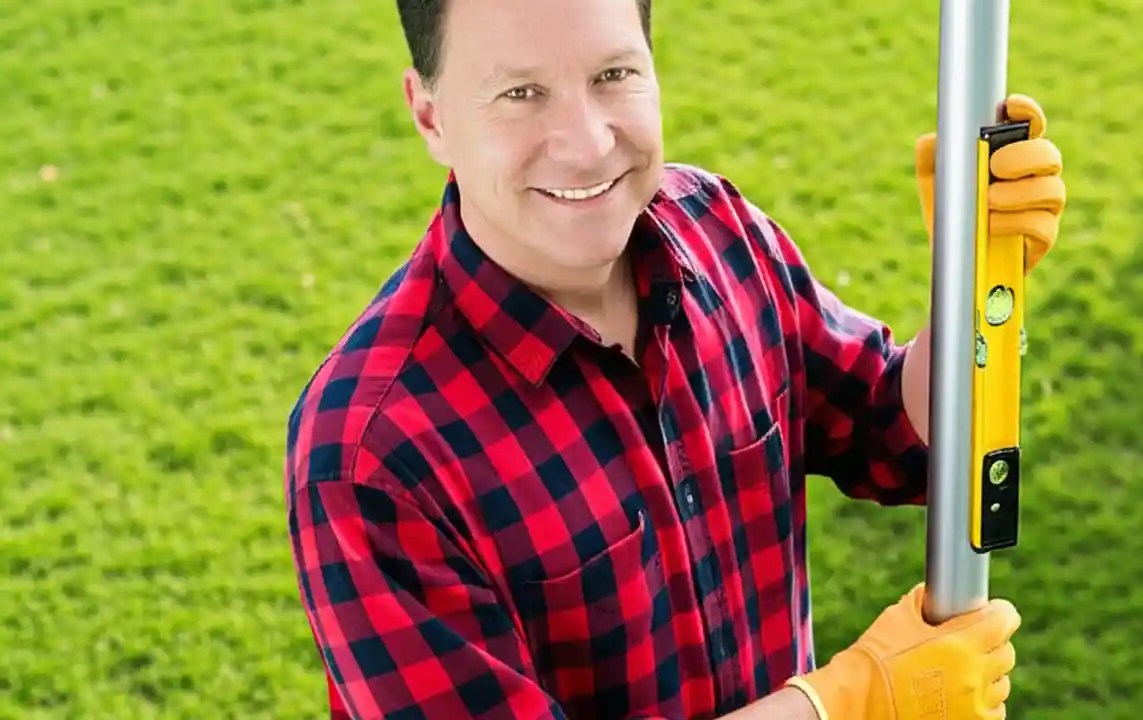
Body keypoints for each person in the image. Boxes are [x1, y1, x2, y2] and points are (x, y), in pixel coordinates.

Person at [283, 0, 1067, 718]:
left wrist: (976, 284)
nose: (588, 144)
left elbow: (896, 432)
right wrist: (844, 704)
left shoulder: (720, 231)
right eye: (521, 94)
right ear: (430, 116)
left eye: (613, 74)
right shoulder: (368, 453)